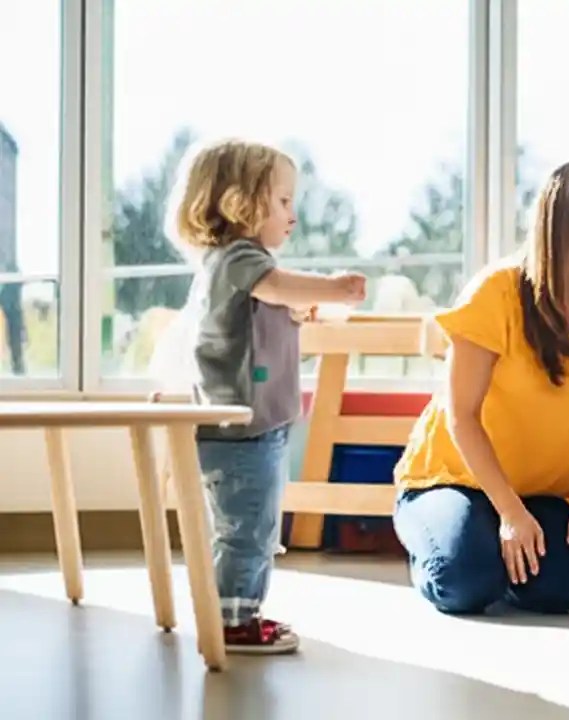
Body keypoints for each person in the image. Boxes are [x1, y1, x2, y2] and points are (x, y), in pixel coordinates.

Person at [392, 160, 569, 616]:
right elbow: (461, 415)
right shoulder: (497, 292)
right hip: (454, 481)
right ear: (560, 228)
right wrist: (508, 513)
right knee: (462, 583)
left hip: (542, 493)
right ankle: (449, 546)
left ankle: (497, 557)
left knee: (562, 589)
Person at [172, 139, 367, 654]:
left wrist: (302, 314)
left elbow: (268, 313)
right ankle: (233, 620)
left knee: (253, 524)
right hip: (242, 428)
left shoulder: (242, 268)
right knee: (247, 529)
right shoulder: (240, 258)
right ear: (241, 201)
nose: (293, 216)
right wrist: (331, 289)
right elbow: (278, 287)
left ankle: (237, 610)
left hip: (255, 426)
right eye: (283, 202)